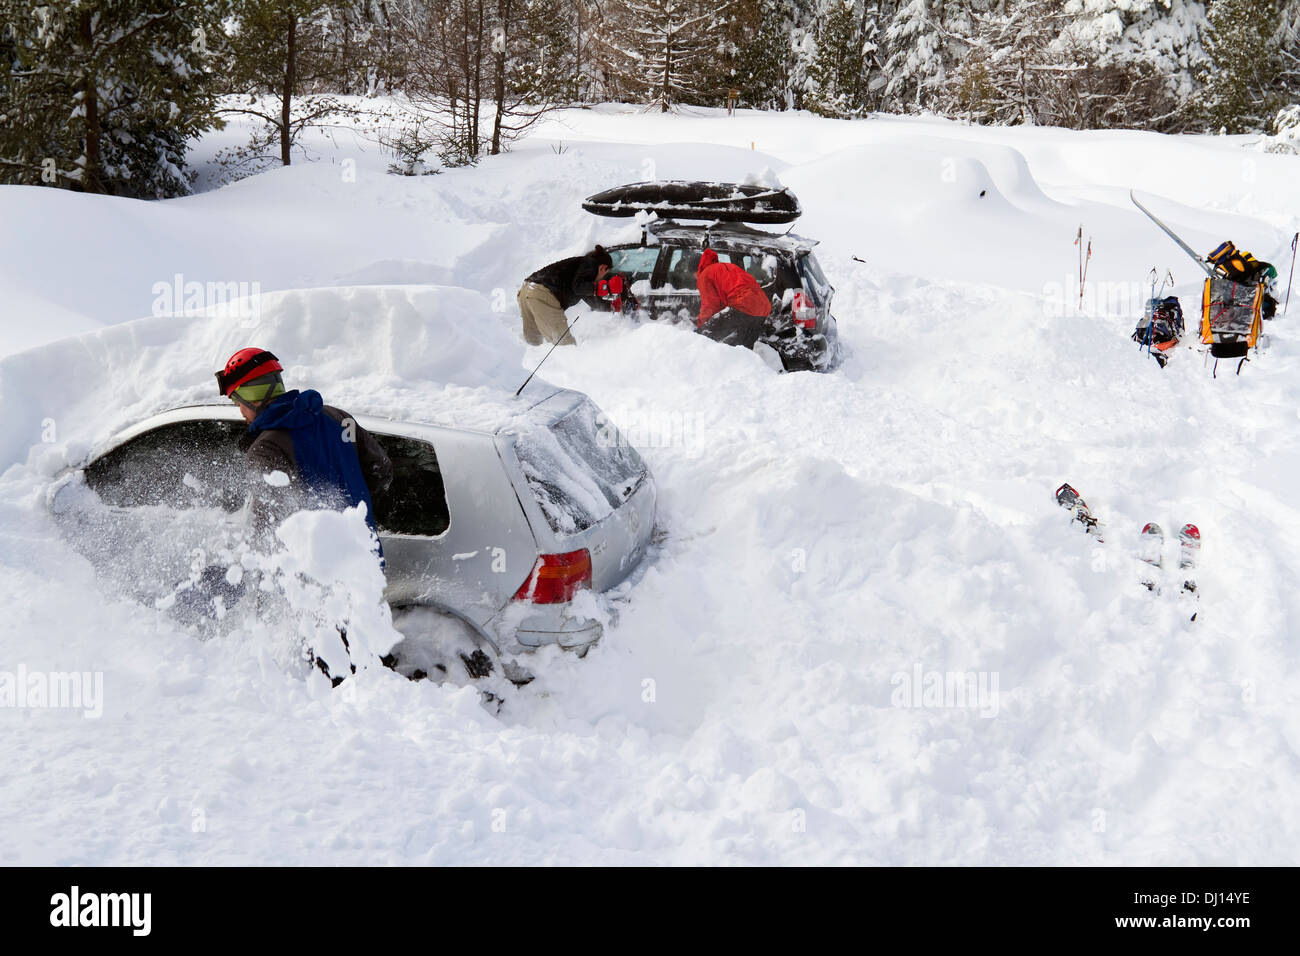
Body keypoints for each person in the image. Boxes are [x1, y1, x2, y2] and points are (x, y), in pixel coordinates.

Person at [215, 348, 392, 532]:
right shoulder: (338, 418)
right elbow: (381, 469)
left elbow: (268, 523)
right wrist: (354, 500)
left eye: (239, 404)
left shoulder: (267, 447)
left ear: (255, 398)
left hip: (310, 559)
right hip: (366, 553)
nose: (241, 412)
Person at [517, 245, 613, 346]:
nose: (603, 278)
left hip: (527, 289)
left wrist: (610, 306)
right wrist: (599, 288)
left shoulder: (579, 268)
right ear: (603, 267)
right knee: (565, 344)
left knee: (533, 340)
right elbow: (579, 287)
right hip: (542, 294)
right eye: (606, 274)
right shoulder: (590, 264)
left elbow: (587, 296)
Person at [695, 247, 773, 349]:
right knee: (744, 350)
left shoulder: (705, 274)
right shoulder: (726, 267)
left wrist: (700, 329)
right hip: (763, 307)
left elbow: (710, 306)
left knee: (705, 338)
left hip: (744, 304)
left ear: (697, 269)